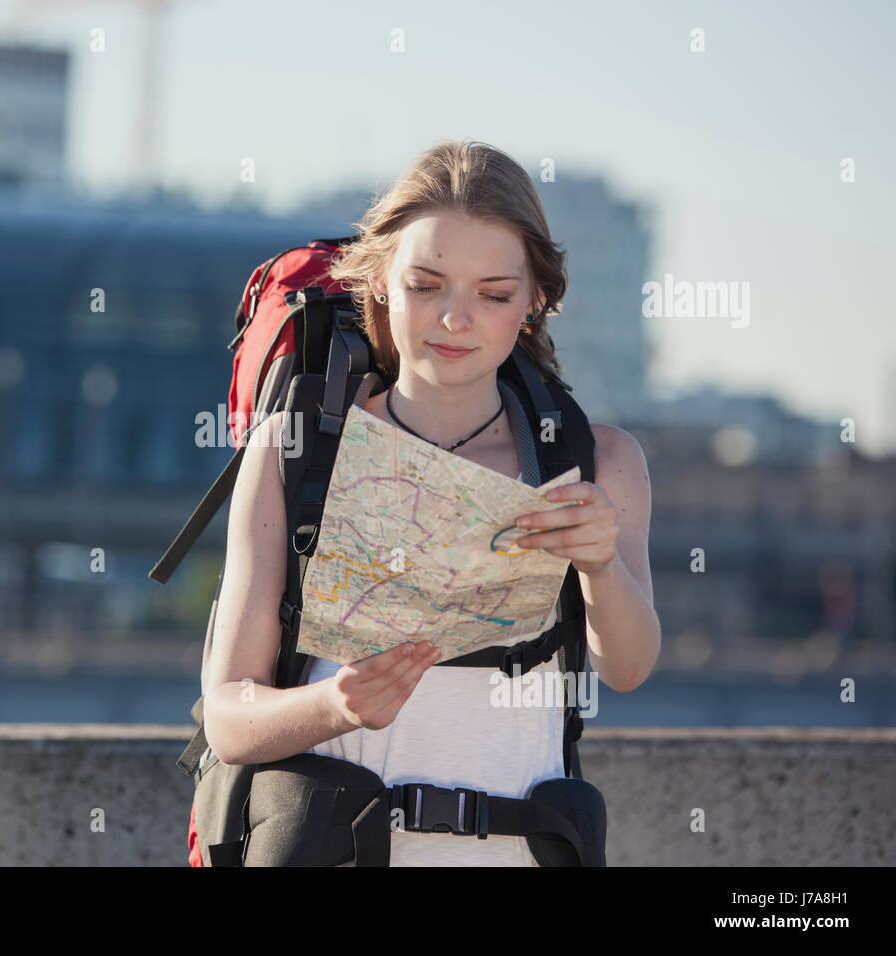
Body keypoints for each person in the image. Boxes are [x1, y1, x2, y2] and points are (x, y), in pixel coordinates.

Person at [202, 139, 659, 866]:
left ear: (537, 298)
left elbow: (628, 669)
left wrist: (601, 568)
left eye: (495, 294)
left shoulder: (597, 462)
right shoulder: (293, 453)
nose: (455, 319)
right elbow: (229, 717)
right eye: (426, 285)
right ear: (380, 280)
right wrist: (333, 706)